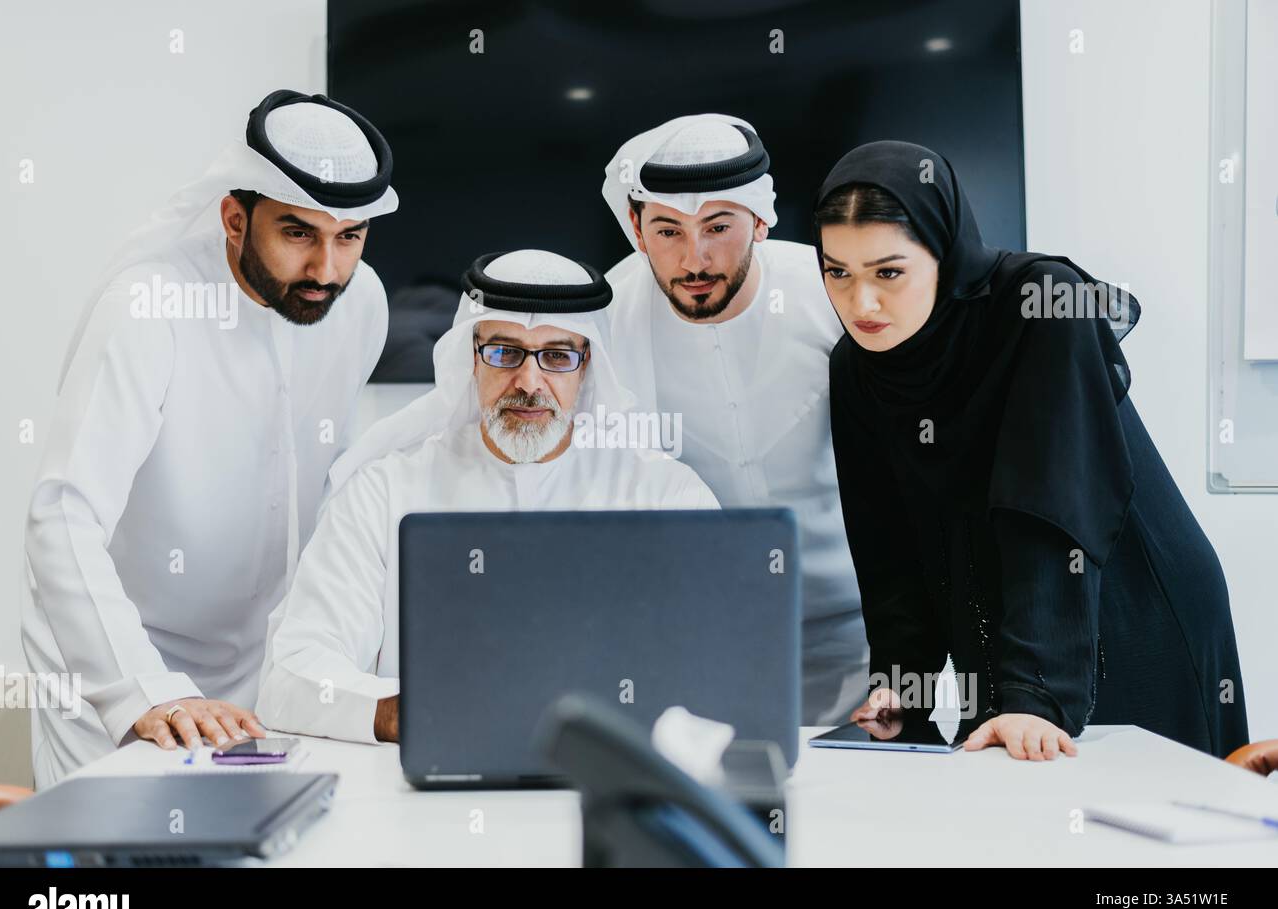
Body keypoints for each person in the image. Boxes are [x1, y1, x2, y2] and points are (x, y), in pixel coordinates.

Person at [816, 140, 1248, 760]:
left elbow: (1051, 510)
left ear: (942, 253)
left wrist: (1034, 692)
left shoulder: (1040, 302)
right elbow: (886, 545)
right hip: (1005, 615)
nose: (861, 304)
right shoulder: (856, 370)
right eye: (838, 272)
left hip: (1122, 596)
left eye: (889, 272)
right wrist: (900, 692)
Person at [22, 90, 399, 785]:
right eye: (297, 233)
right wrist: (145, 687)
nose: (326, 269)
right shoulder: (148, 309)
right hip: (120, 669)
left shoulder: (360, 302)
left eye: (350, 236)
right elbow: (62, 514)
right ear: (234, 217)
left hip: (263, 675)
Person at [255, 250, 718, 743]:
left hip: (616, 787)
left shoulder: (667, 495)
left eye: (557, 356)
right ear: (471, 359)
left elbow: (721, 662)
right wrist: (411, 713)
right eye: (505, 352)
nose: (528, 382)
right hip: (429, 797)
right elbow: (292, 677)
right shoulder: (384, 492)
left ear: (587, 370)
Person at [601, 114, 867, 726]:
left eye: (718, 227)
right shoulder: (608, 320)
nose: (694, 258)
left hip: (863, 635)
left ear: (761, 221)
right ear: (638, 230)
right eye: (668, 231)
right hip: (698, 643)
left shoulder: (832, 293)